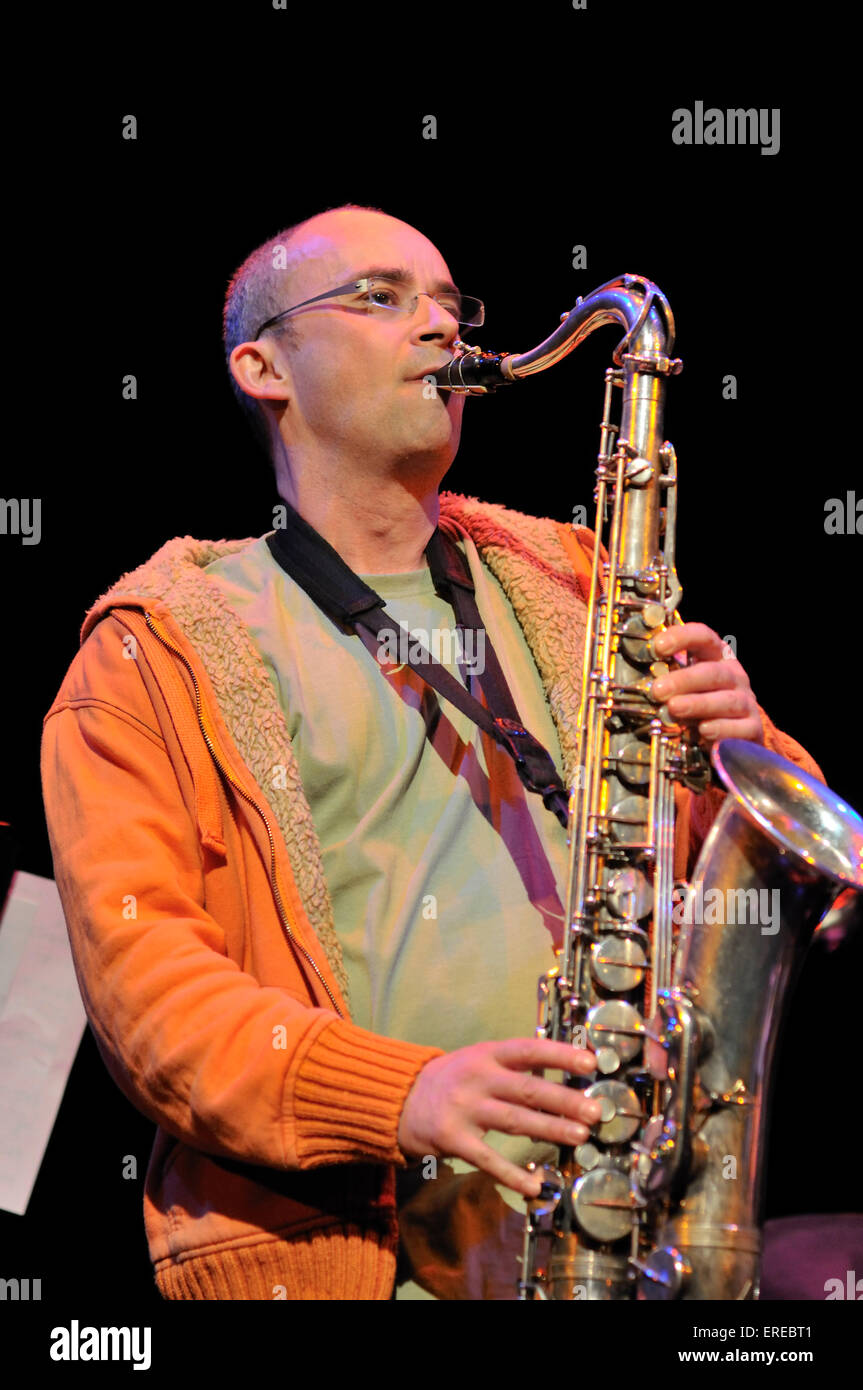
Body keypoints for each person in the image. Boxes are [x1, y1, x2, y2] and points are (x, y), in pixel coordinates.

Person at [41, 204, 824, 1301]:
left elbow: (798, 870)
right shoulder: (151, 652)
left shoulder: (578, 581)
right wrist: (400, 1093)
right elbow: (151, 1006)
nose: (439, 327)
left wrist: (740, 754)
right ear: (263, 366)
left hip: (632, 1235)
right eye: (380, 296)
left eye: (452, 303)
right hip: (357, 1268)